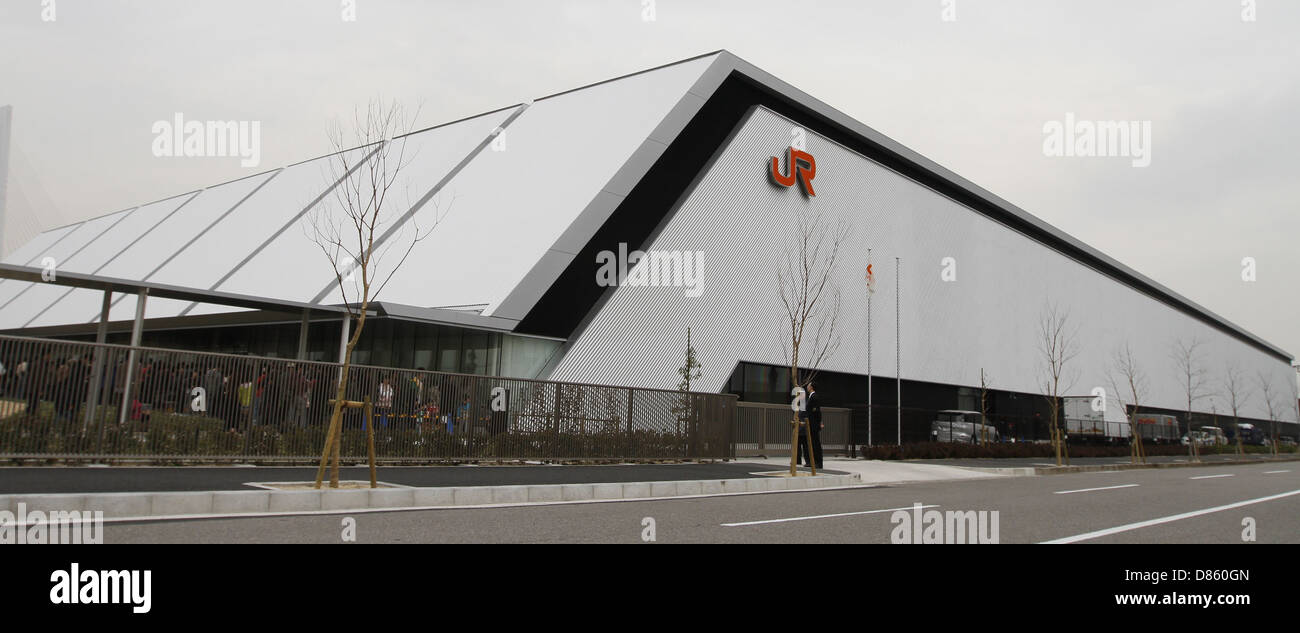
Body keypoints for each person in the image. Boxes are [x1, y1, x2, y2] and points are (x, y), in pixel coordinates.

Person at [798, 382, 824, 469]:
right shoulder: (811, 397)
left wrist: (819, 422)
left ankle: (818, 463)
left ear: (811, 387)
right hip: (811, 423)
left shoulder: (814, 397)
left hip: (814, 424)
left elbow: (817, 411)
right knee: (812, 444)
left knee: (816, 444)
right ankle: (814, 462)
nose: (807, 387)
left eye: (808, 386)